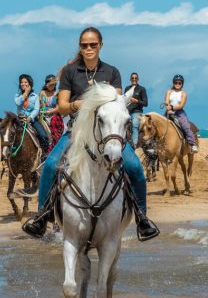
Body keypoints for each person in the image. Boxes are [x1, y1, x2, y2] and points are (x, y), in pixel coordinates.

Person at [21, 27, 159, 241]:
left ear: (100, 45)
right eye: (84, 45)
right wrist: (78, 104)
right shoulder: (70, 72)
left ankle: (142, 218)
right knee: (50, 165)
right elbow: (63, 107)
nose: (89, 48)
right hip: (76, 131)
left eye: (93, 45)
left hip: (106, 132)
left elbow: (116, 104)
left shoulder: (112, 72)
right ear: (80, 47)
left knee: (135, 168)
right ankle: (42, 216)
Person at [15, 73, 52, 153]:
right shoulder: (17, 95)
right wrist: (25, 93)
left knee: (44, 136)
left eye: (25, 82)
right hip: (20, 119)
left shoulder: (35, 96)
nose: (23, 84)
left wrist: (30, 117)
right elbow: (18, 103)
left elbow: (36, 109)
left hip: (32, 120)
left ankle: (45, 154)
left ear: (30, 84)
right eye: (22, 82)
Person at [163, 75, 199, 152]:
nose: (177, 84)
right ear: (173, 83)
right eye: (176, 82)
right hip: (168, 111)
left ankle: (192, 144)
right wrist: (168, 107)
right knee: (159, 124)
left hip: (179, 112)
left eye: (179, 83)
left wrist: (171, 108)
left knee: (186, 126)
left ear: (182, 84)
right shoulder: (169, 92)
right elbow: (166, 101)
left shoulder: (183, 94)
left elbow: (181, 106)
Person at [40, 74, 64, 150]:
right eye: (50, 85)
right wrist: (42, 107)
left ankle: (56, 144)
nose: (51, 86)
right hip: (43, 115)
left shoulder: (57, 94)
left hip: (54, 115)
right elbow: (40, 105)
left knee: (55, 126)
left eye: (53, 85)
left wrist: (49, 112)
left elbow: (58, 107)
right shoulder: (42, 93)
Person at [124, 72, 147, 147]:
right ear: (130, 79)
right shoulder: (127, 88)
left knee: (134, 125)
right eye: (132, 78)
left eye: (135, 78)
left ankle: (134, 145)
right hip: (127, 111)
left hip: (137, 112)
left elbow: (145, 103)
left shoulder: (142, 89)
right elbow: (124, 100)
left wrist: (137, 101)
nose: (134, 79)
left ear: (138, 79)